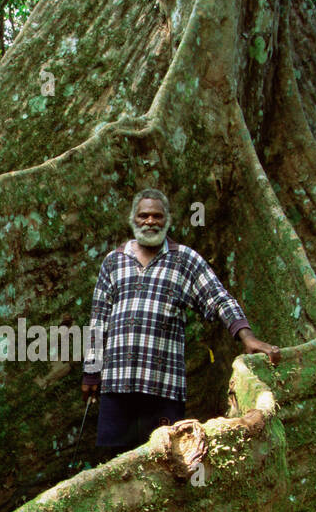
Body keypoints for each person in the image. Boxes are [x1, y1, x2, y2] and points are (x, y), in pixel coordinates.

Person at [80, 188, 279, 452]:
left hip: (163, 386)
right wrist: (91, 373)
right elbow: (98, 321)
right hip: (117, 383)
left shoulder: (185, 259)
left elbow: (219, 298)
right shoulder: (114, 261)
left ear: (167, 220)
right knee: (111, 458)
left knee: (165, 460)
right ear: (133, 220)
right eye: (143, 216)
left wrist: (247, 336)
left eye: (156, 216)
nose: (150, 221)